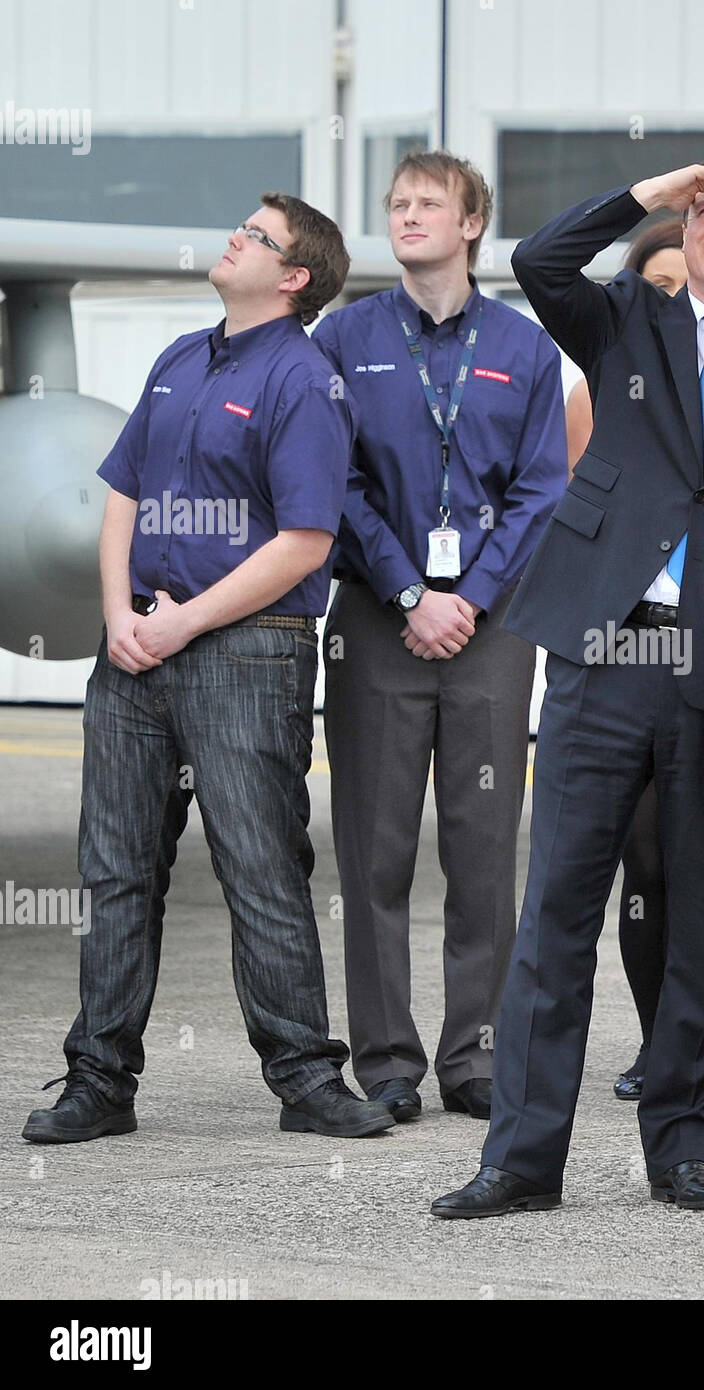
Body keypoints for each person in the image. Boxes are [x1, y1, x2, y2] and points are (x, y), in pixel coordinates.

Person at [432, 154, 704, 1218]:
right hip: (605, 650)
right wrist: (647, 192)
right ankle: (522, 1157)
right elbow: (538, 259)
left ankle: (682, 1143)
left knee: (702, 914)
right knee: (558, 912)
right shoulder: (632, 320)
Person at [23, 195, 395, 1143]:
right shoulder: (179, 361)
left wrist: (182, 621)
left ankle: (308, 1082)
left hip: (248, 649)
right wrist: (116, 615)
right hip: (137, 650)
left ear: (294, 275)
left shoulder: (306, 380)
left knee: (260, 866)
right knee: (114, 871)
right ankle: (98, 1084)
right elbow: (122, 494)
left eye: (255, 236)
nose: (233, 238)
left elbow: (306, 542)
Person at [312, 151, 566, 1123]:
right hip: (380, 622)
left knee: (482, 845)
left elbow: (543, 488)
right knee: (373, 854)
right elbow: (332, 481)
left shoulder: (525, 347)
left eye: (429, 203)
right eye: (397, 204)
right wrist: (411, 587)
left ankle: (476, 1055)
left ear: (471, 224)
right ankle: (385, 1059)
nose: (409, 215)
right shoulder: (346, 337)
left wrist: (471, 594)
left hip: (493, 629)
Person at [564, 218, 688, 1102]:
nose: (675, 303)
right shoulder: (599, 386)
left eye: (689, 287)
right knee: (638, 866)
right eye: (658, 288)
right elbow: (582, 530)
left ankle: (693, 1044)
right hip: (621, 646)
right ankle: (655, 1044)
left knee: (700, 872)